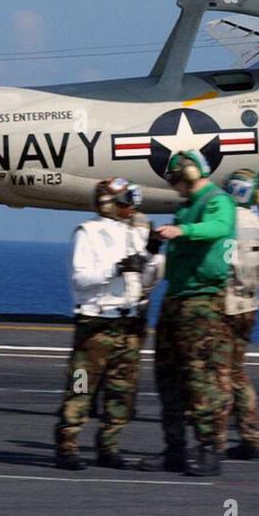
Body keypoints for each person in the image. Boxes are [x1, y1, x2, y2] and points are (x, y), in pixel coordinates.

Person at [137, 150, 236, 477]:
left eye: (176, 179)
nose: (174, 186)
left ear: (189, 174)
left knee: (199, 376)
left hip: (202, 302)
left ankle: (210, 450)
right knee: (167, 376)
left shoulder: (216, 200)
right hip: (177, 297)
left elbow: (219, 227)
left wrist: (183, 232)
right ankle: (174, 449)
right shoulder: (184, 207)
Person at [56, 177, 163, 471]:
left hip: (128, 322)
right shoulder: (87, 233)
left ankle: (109, 445)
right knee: (81, 386)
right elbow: (81, 277)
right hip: (96, 321)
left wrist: (153, 254)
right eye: (125, 201)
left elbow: (147, 279)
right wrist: (115, 268)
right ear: (108, 203)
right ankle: (67, 444)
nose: (131, 208)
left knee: (122, 391)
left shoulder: (132, 233)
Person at [216, 169, 259, 460]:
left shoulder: (224, 223)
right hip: (250, 305)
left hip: (225, 305)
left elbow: (218, 265)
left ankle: (213, 440)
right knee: (237, 372)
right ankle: (251, 436)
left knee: (219, 374)